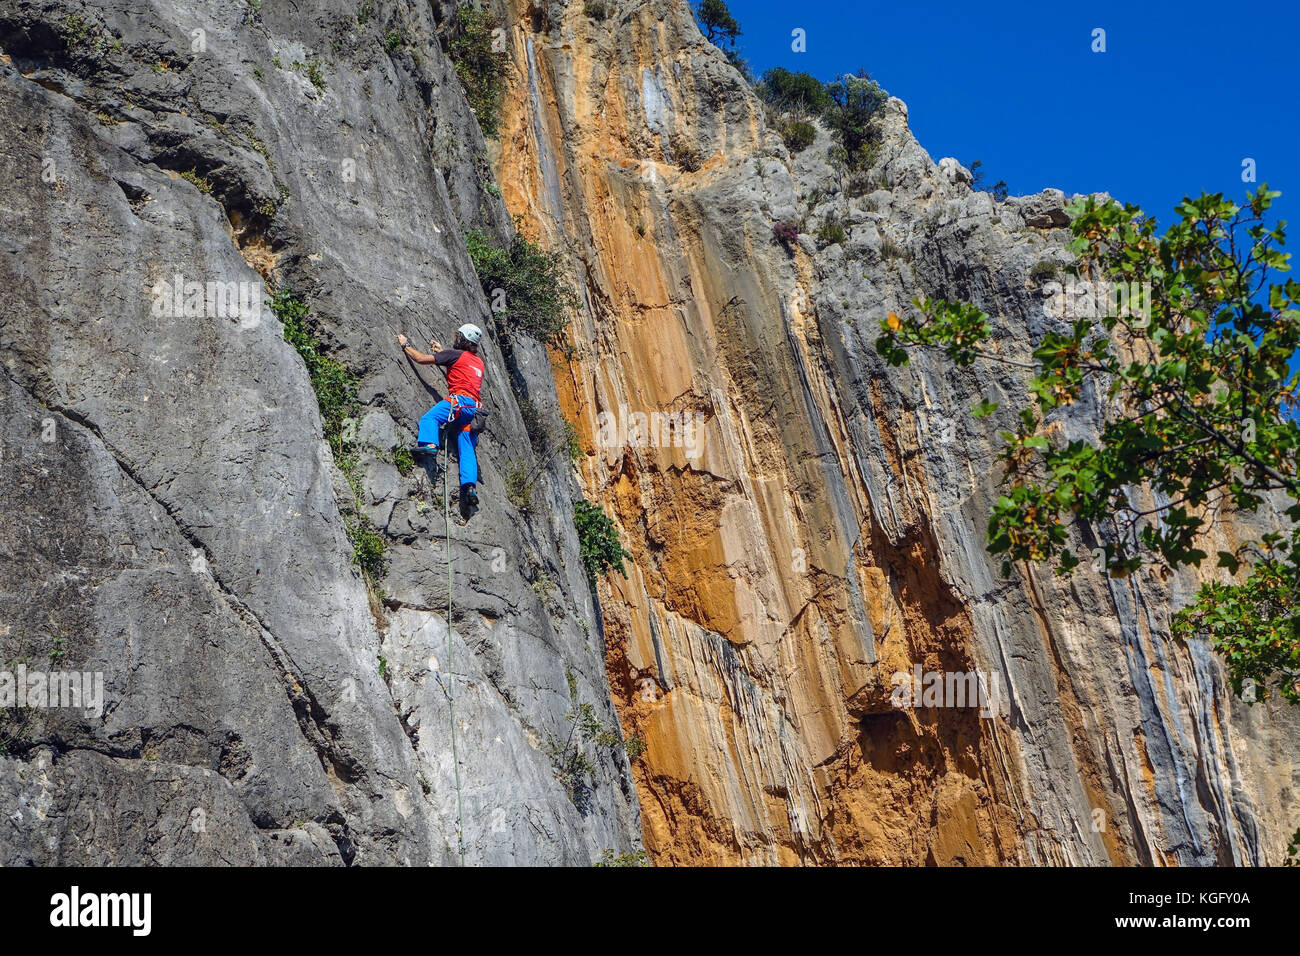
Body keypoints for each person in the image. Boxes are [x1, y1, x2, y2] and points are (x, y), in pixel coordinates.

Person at [397, 323, 485, 507]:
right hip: (474, 412)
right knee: (467, 448)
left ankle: (429, 444)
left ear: (462, 338)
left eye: (457, 336)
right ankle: (469, 488)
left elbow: (420, 359)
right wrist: (442, 352)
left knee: (430, 419)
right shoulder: (478, 363)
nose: (455, 338)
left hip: (458, 403)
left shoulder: (454, 355)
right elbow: (460, 370)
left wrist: (405, 345)